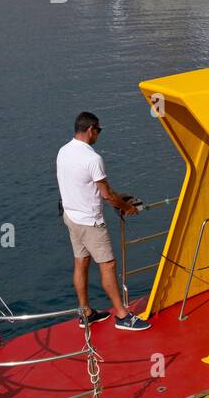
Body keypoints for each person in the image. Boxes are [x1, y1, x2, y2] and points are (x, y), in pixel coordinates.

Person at [57, 112, 151, 331]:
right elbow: (106, 194)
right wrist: (126, 207)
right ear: (91, 129)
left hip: (71, 217)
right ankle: (122, 315)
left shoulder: (63, 151)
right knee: (108, 265)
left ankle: (86, 313)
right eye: (98, 131)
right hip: (90, 222)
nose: (98, 135)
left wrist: (119, 197)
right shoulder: (92, 158)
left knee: (81, 262)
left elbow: (87, 186)